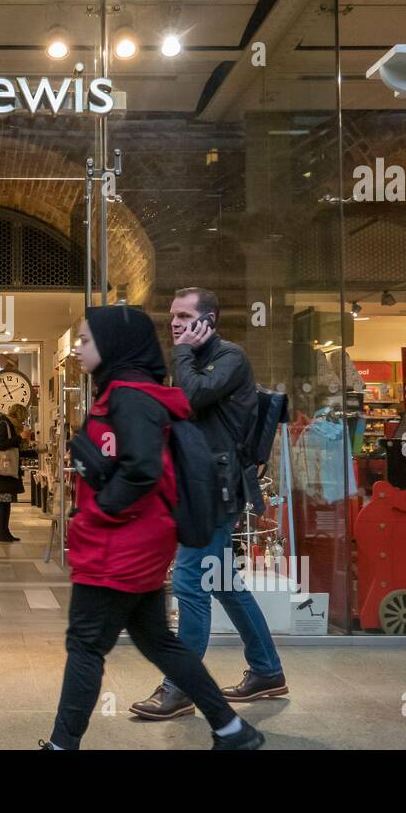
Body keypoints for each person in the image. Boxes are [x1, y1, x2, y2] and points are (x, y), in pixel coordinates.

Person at [43, 304, 262, 750]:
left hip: (117, 548)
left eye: (87, 340)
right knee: (158, 640)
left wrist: (98, 512)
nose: (81, 348)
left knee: (85, 645)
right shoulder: (128, 393)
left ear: (114, 345)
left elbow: (142, 468)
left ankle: (62, 746)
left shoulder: (129, 396)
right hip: (134, 544)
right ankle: (231, 728)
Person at [130, 287, 287, 721]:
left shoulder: (229, 358)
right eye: (172, 318)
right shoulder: (193, 361)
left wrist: (180, 353)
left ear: (208, 321)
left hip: (214, 491)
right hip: (196, 485)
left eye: (184, 316)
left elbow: (193, 397)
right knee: (223, 584)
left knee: (188, 585)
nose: (175, 323)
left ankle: (180, 687)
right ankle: (268, 671)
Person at [0, 402, 27, 543]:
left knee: (6, 502)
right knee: (3, 502)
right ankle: (1, 533)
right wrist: (19, 438)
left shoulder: (8, 424)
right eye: (23, 417)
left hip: (7, 471)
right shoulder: (4, 424)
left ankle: (5, 532)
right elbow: (1, 444)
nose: (23, 421)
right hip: (3, 471)